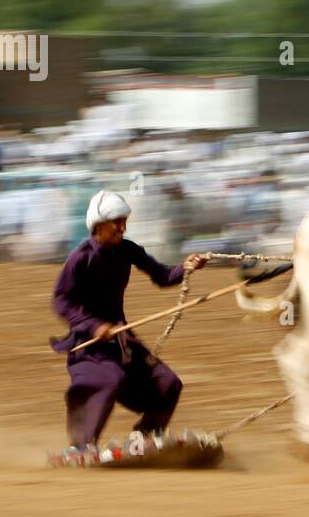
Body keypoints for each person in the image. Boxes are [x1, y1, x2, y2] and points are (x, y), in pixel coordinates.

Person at [51, 190, 207, 447]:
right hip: (89, 345)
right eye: (117, 222)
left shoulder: (129, 250)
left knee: (168, 383)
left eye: (124, 221)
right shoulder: (80, 258)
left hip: (121, 340)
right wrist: (95, 326)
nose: (122, 228)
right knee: (110, 379)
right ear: (98, 224)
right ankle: (80, 446)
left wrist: (186, 266)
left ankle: (145, 437)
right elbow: (61, 301)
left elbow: (162, 275)